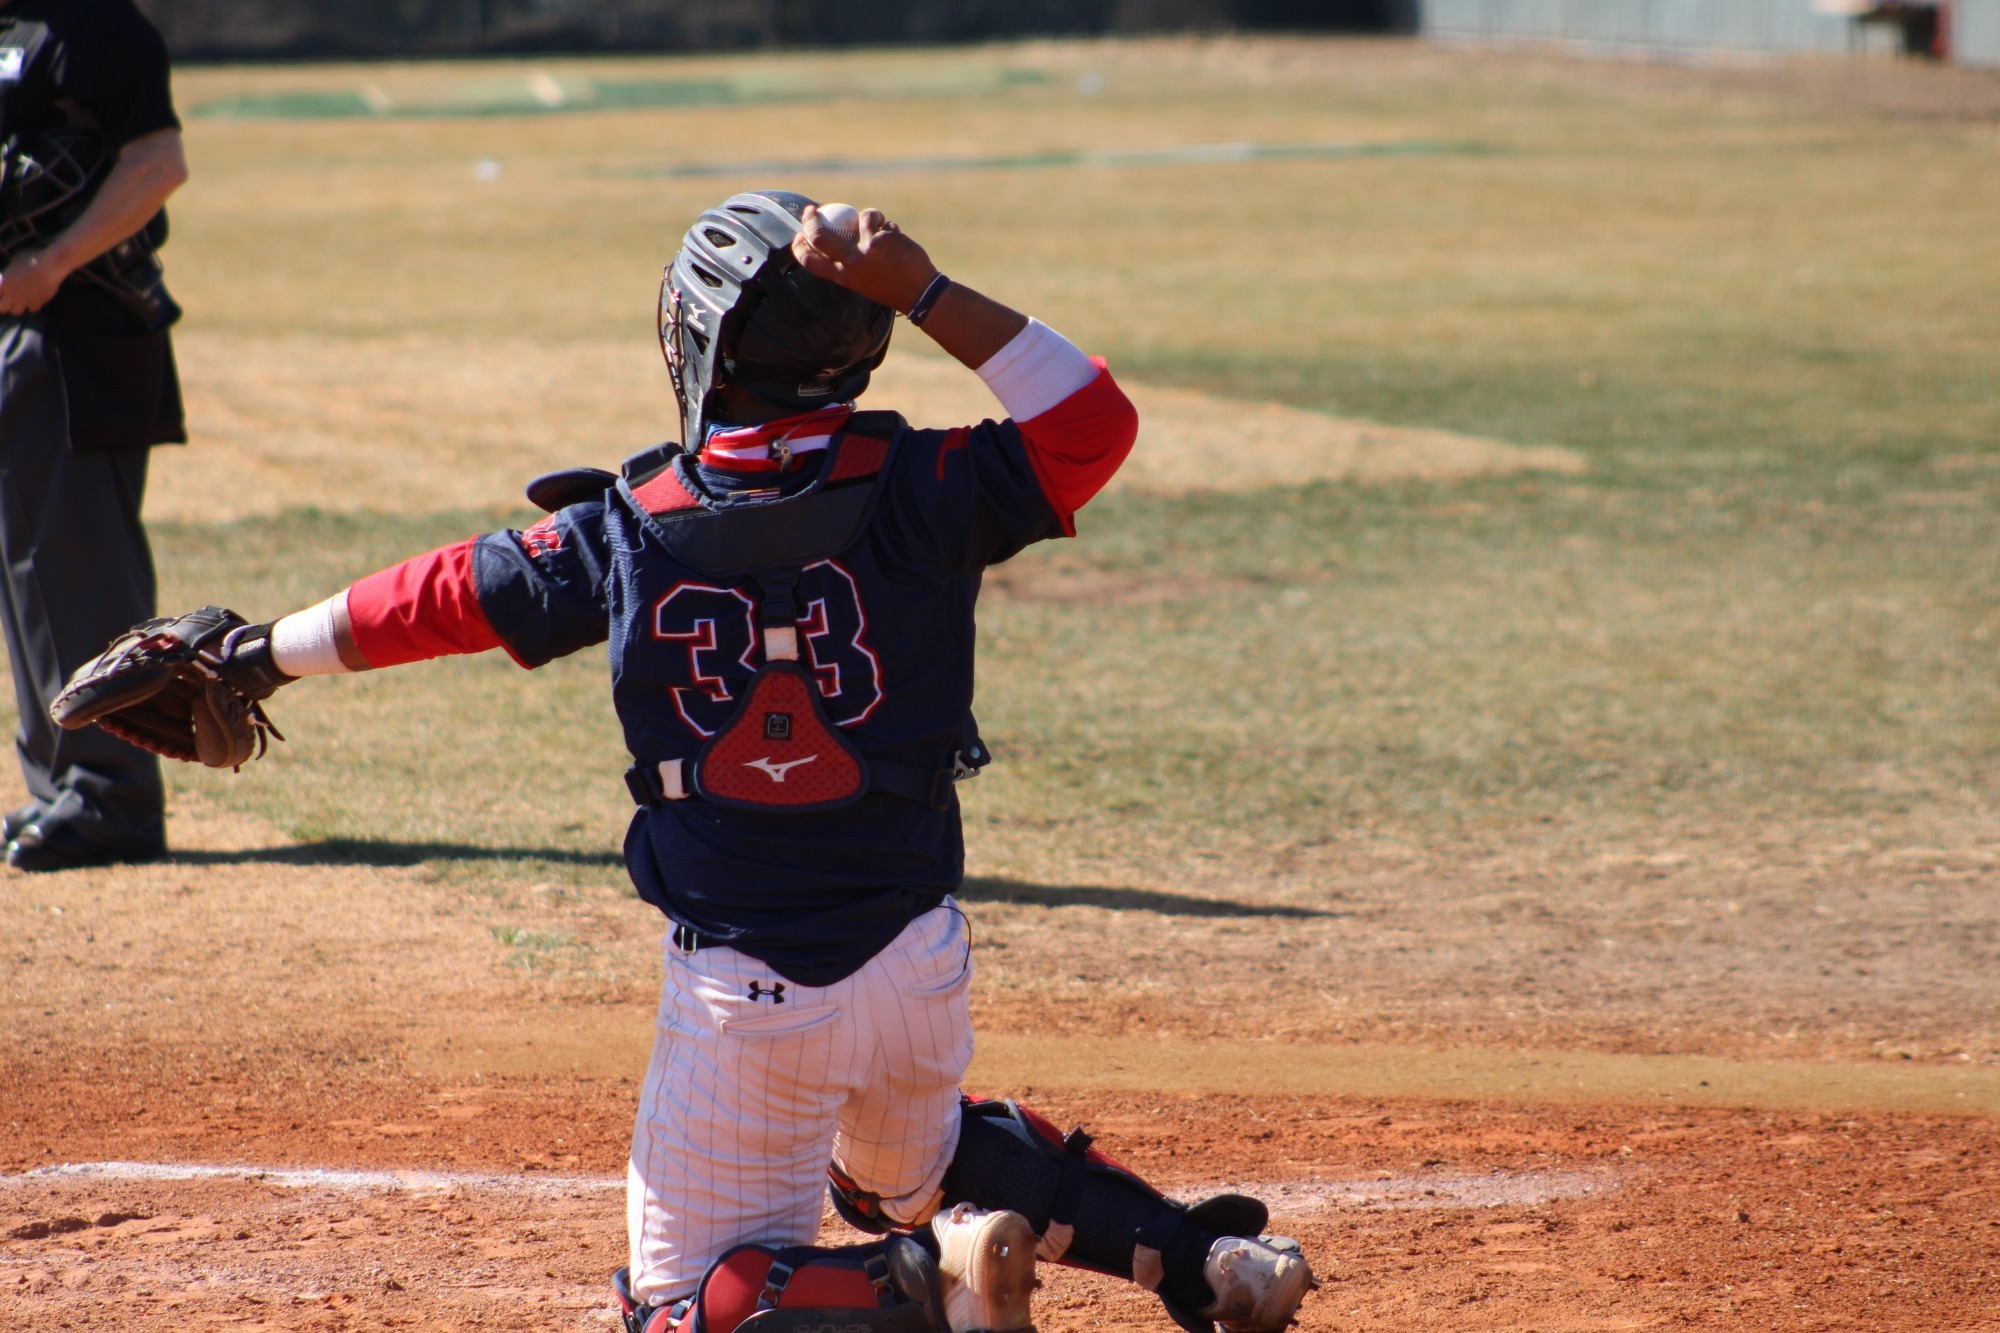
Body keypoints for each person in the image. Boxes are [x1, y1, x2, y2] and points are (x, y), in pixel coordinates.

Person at [67, 193, 1316, 1332]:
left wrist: (255, 655)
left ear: (698, 349)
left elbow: (441, 595)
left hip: (748, 1002)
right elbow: (1093, 420)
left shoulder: (622, 529)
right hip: (916, 966)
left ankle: (924, 1288)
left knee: (680, 1304)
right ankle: (1203, 1262)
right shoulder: (933, 481)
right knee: (911, 1171)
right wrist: (927, 289)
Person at [0, 0, 189, 871]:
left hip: (83, 334)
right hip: (22, 330)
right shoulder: (17, 31)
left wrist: (53, 260)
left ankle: (110, 796)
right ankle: (58, 788)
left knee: (78, 566)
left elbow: (156, 165)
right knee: (25, 570)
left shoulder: (101, 31)